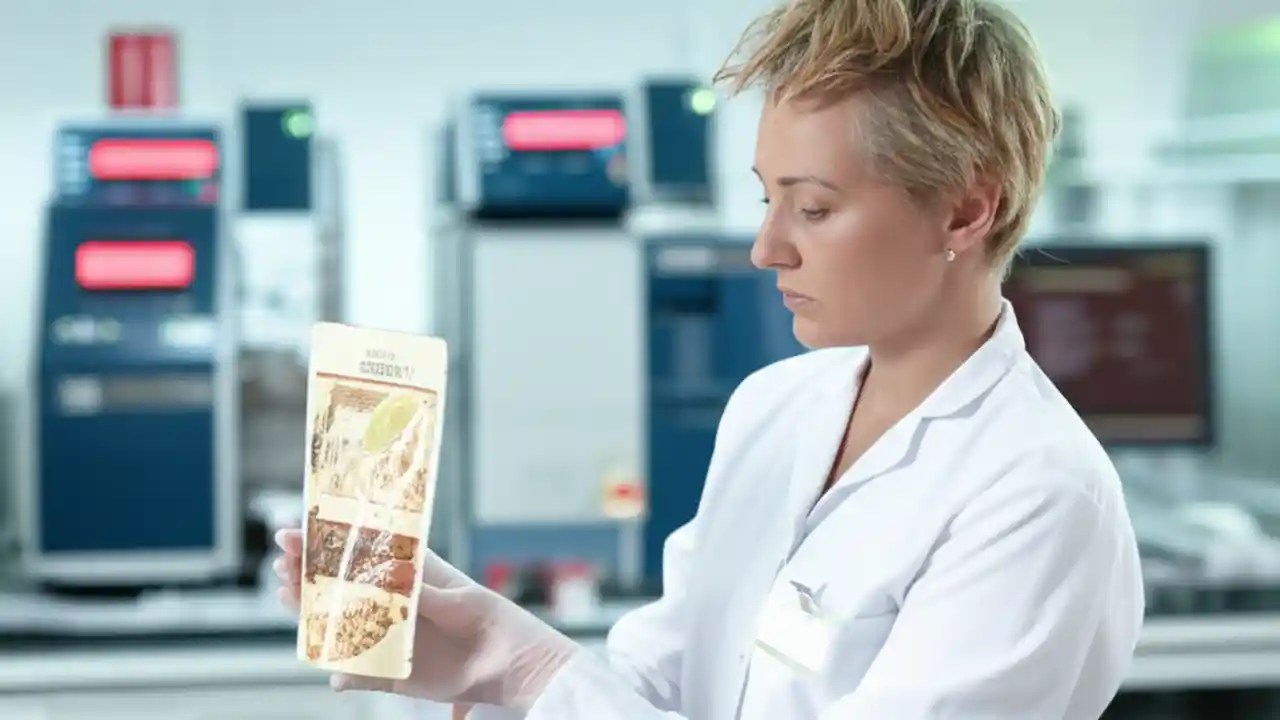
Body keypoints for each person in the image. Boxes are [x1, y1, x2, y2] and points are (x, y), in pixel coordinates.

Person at [274, 0, 1146, 717]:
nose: (767, 249)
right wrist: (476, 646)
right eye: (768, 200)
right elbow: (662, 688)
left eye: (812, 209)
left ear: (964, 212)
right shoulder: (777, 407)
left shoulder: (1035, 493)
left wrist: (528, 669)